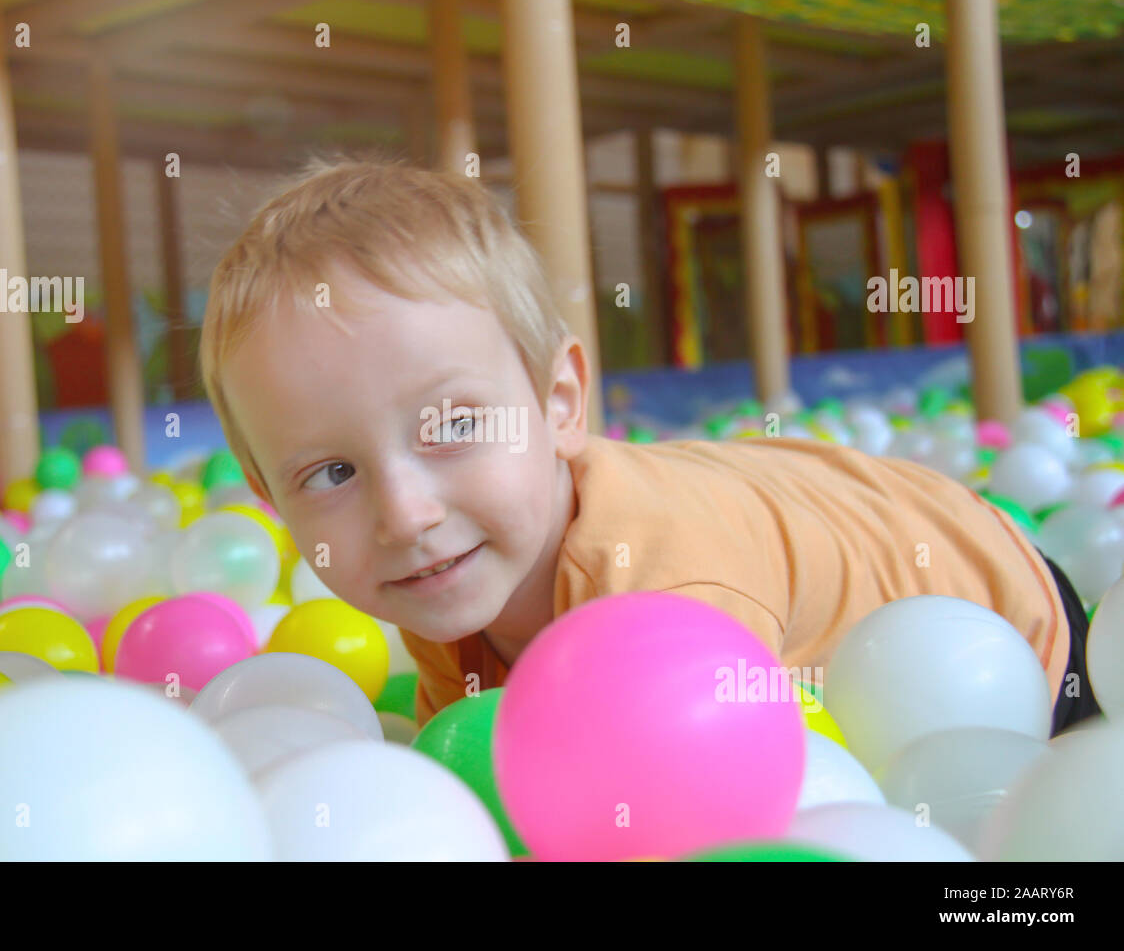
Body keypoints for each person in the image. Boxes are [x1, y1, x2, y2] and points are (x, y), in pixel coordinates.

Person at [201, 155, 1097, 734]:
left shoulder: (669, 592)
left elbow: (709, 804)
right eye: (331, 472)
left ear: (560, 402)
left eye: (452, 426)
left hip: (1018, 632)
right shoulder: (450, 581)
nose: (403, 512)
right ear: (266, 496)